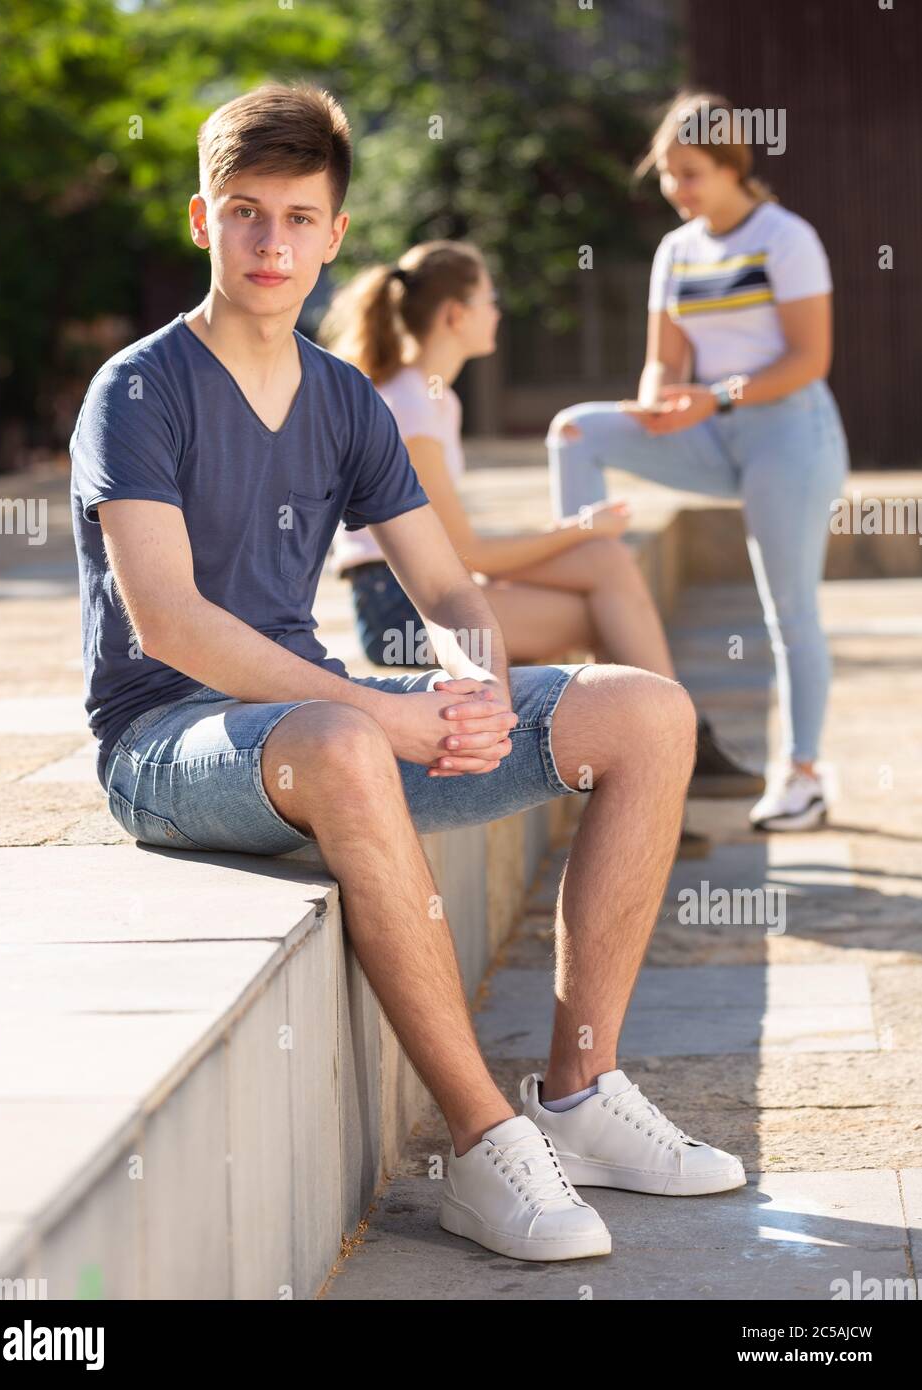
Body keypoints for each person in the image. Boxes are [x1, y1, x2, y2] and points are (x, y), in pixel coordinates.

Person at [69, 81, 746, 1267]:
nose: (270, 242)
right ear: (201, 221)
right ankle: (487, 1150)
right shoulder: (138, 388)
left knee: (643, 709)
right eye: (245, 213)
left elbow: (447, 588)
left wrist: (472, 684)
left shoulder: (342, 398)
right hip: (172, 747)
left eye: (296, 217)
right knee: (340, 739)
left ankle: (579, 1095)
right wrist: (383, 711)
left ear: (335, 237)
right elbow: (166, 622)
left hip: (317, 733)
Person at [320, 239, 762, 830]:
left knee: (604, 561)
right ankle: (666, 768)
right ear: (455, 314)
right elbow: (464, 555)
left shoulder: (435, 400)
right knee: (606, 609)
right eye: (489, 298)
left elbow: (460, 553)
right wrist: (576, 528)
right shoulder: (412, 406)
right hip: (400, 608)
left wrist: (581, 535)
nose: (498, 311)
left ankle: (675, 750)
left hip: (426, 594)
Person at [547, 90, 850, 832]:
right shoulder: (676, 250)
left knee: (788, 611)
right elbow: (662, 363)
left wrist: (711, 397)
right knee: (576, 432)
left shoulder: (785, 237)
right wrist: (655, 402)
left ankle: (802, 773)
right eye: (666, 175)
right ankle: (585, 573)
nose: (675, 190)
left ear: (730, 166)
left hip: (790, 437)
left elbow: (809, 360)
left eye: (690, 174)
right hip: (711, 430)